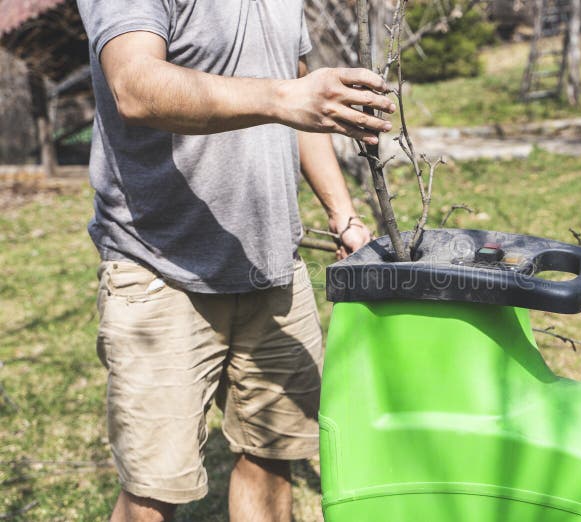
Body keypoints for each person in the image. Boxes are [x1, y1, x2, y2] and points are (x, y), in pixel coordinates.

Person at [76, 1, 395, 520]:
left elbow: (299, 101)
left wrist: (343, 215)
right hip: (160, 269)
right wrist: (285, 96)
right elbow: (134, 86)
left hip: (271, 264)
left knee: (272, 454)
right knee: (154, 490)